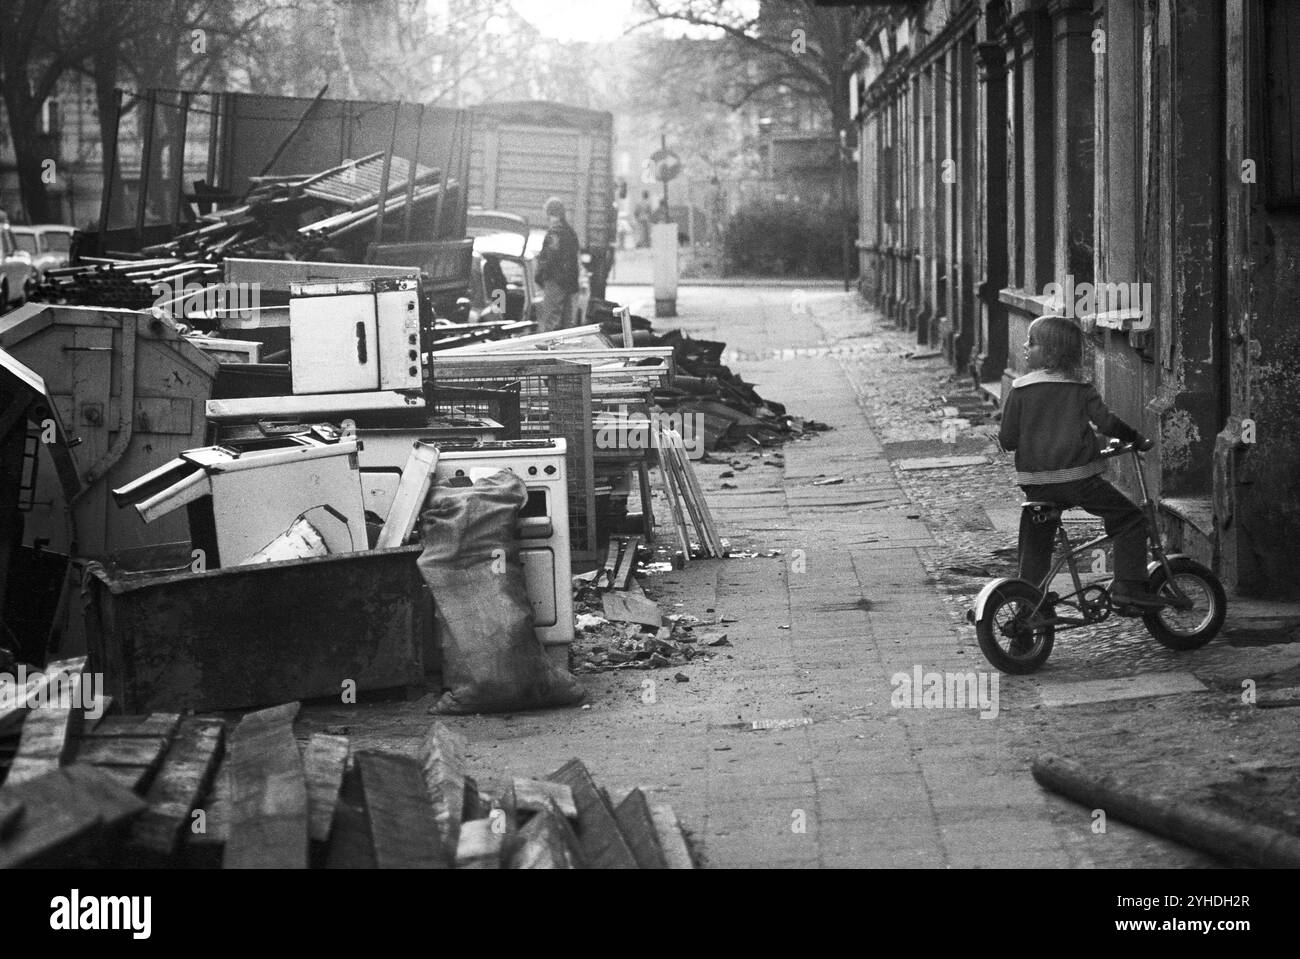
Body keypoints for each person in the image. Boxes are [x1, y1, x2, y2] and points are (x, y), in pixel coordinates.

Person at [998, 315, 1160, 609]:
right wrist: (1135, 438)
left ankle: (1028, 607)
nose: (1024, 346)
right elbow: (1107, 423)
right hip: (1079, 482)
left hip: (1036, 487)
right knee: (1131, 520)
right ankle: (1128, 587)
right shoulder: (1080, 388)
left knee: (1035, 545)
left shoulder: (1019, 390)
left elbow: (1007, 440)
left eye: (1031, 343)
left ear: (1051, 354)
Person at [535, 196, 580, 333]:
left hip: (555, 282)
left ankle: (550, 347)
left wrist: (540, 275)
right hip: (568, 283)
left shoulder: (555, 232)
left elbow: (550, 257)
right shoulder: (570, 232)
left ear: (550, 213)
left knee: (551, 322)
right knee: (566, 323)